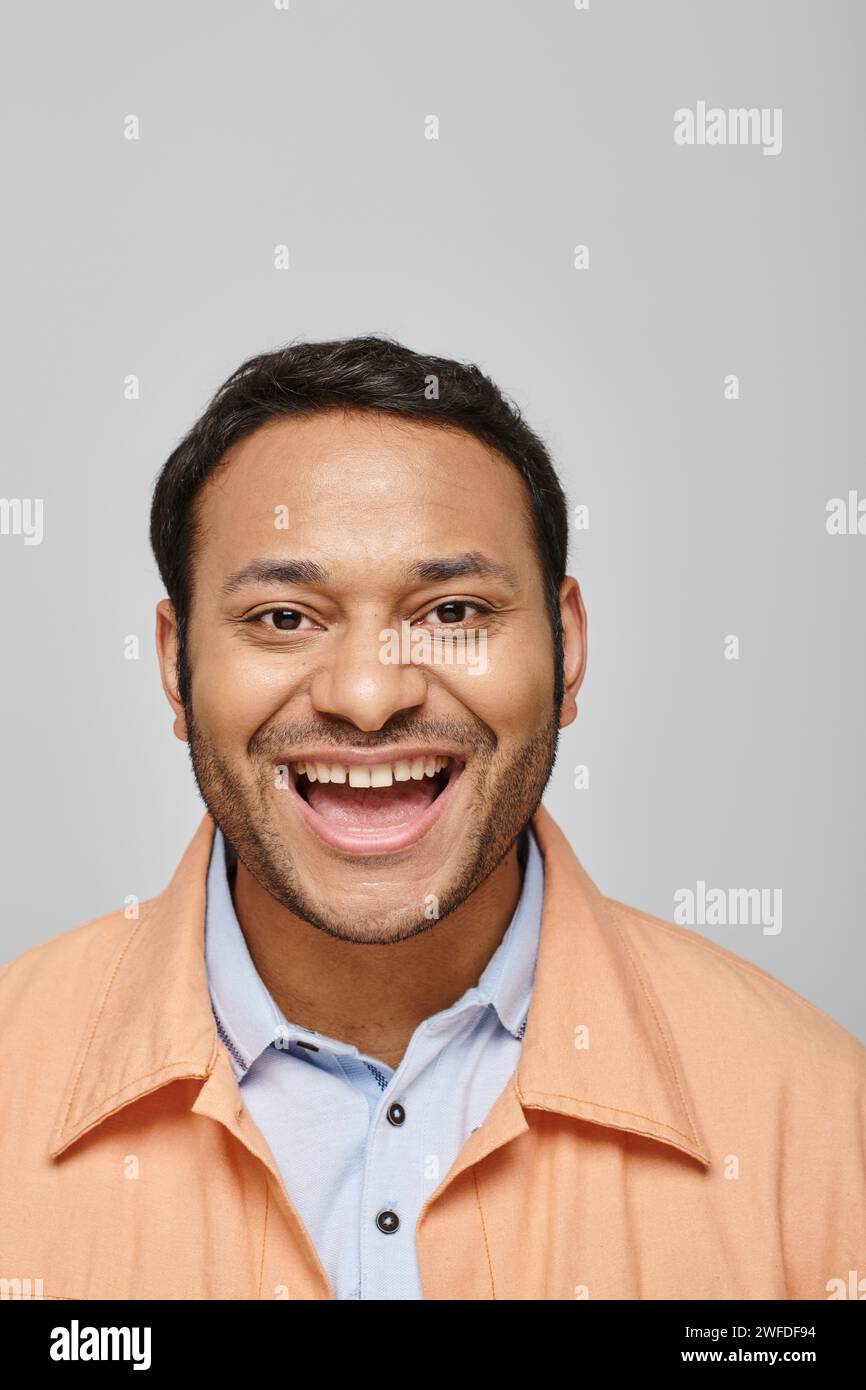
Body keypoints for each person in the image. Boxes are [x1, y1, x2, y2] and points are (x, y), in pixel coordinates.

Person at [1, 336, 864, 1301]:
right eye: (285, 617)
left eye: (453, 611)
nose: (369, 697)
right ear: (175, 666)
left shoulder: (820, 1120)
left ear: (568, 649)